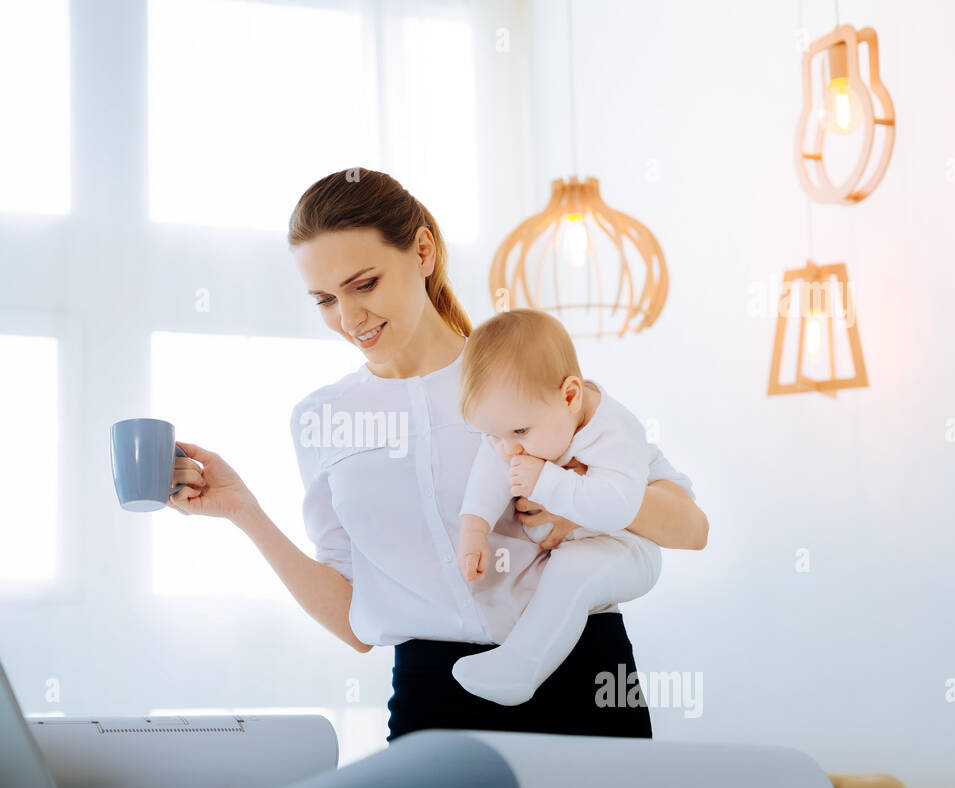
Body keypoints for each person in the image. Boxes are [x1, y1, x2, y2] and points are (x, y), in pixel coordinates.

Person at [166, 168, 708, 743]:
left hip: (584, 677)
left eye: (365, 284)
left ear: (422, 251)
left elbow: (689, 526)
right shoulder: (321, 419)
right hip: (434, 695)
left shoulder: (523, 373)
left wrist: (583, 502)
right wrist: (244, 512)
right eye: (325, 299)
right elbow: (355, 624)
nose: (349, 319)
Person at [452, 308, 668, 707]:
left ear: (570, 396)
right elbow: (488, 469)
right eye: (492, 436)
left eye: (519, 432)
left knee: (572, 570)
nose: (508, 449)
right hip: (579, 543)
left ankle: (521, 667)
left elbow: (619, 507)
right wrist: (474, 528)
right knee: (567, 568)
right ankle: (516, 659)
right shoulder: (520, 427)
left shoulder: (615, 430)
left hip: (629, 547)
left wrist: (547, 482)